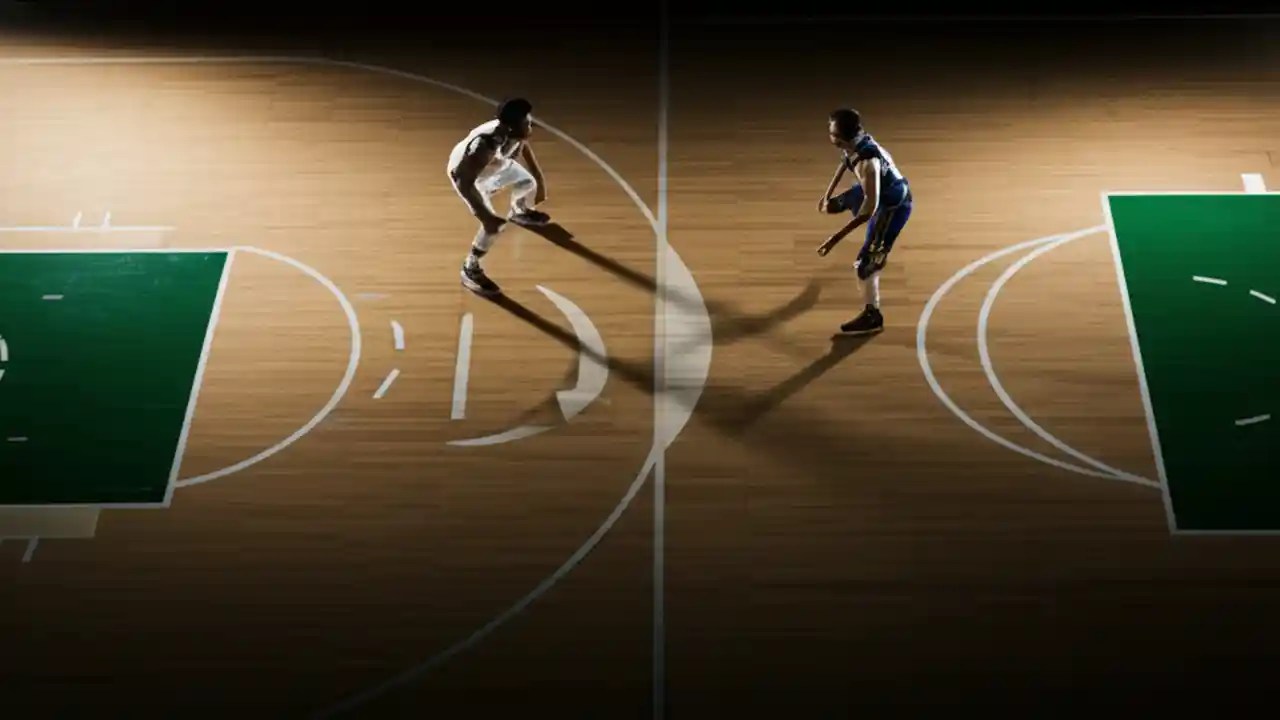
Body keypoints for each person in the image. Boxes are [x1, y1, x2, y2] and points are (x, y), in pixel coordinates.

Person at [816, 108, 913, 335]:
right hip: (878, 190)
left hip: (891, 207)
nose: (829, 135)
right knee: (832, 207)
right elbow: (844, 163)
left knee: (864, 266)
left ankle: (873, 314)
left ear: (840, 138)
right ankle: (875, 258)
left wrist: (834, 239)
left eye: (832, 132)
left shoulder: (867, 164)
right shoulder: (856, 142)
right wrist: (827, 195)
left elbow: (869, 211)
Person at [447, 97, 551, 296]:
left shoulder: (514, 131)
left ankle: (518, 211)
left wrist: (540, 179)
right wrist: (485, 215)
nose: (531, 125)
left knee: (528, 182)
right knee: (492, 228)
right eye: (527, 122)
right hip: (470, 177)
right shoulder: (483, 145)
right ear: (512, 127)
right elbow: (463, 181)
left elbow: (524, 145)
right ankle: (470, 267)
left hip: (494, 165)